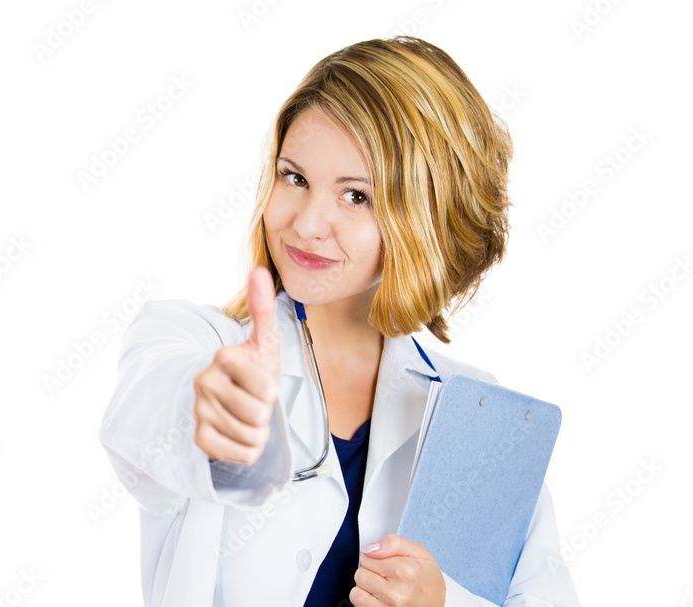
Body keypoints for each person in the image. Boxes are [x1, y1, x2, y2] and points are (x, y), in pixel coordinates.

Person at [99, 36, 581, 606]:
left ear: (427, 218)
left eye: (356, 196)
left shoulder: (481, 420)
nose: (307, 223)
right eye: (294, 177)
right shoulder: (196, 342)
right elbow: (147, 412)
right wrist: (213, 412)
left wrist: (443, 603)